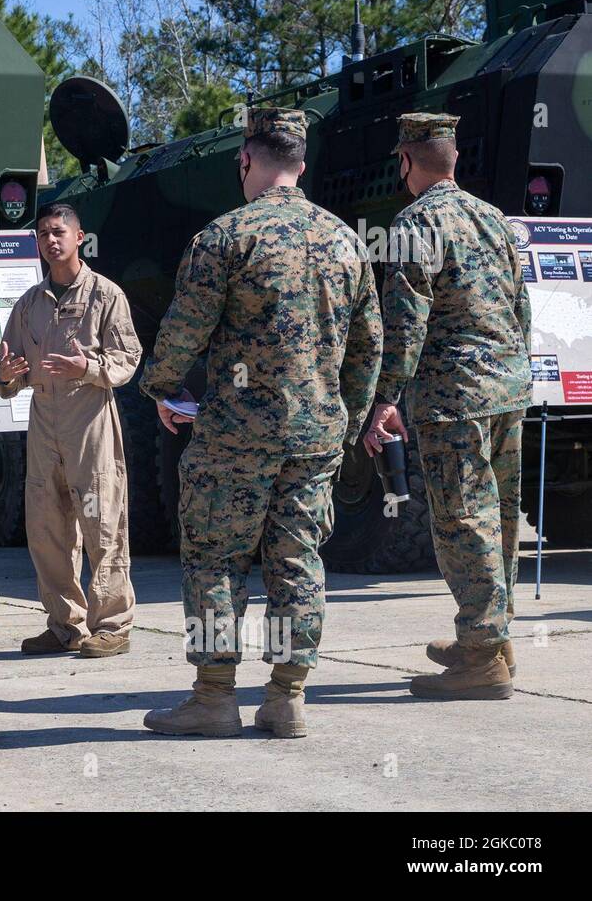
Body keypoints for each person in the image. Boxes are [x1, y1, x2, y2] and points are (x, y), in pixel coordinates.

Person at [140, 107, 382, 738]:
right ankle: (287, 696)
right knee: (297, 561)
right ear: (301, 165)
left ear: (245, 160)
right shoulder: (347, 241)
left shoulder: (225, 237)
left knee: (215, 561)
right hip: (315, 437)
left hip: (234, 439)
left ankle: (215, 696)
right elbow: (368, 348)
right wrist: (345, 421)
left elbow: (184, 330)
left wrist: (162, 388)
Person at [364, 112, 532, 701]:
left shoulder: (415, 224)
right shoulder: (494, 219)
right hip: (507, 388)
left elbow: (403, 325)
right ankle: (493, 637)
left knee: (463, 520)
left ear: (407, 161)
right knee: (501, 516)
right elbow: (521, 309)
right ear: (453, 158)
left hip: (453, 394)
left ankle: (481, 658)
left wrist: (384, 399)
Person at [0, 203, 142, 658]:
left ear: (80, 237)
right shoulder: (29, 304)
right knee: (46, 527)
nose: (50, 241)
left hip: (89, 420)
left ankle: (112, 625)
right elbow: (8, 374)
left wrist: (88, 367)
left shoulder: (105, 295)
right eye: (42, 235)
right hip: (43, 423)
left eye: (58, 232)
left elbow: (128, 359)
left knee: (103, 524)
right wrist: (4, 374)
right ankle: (64, 624)